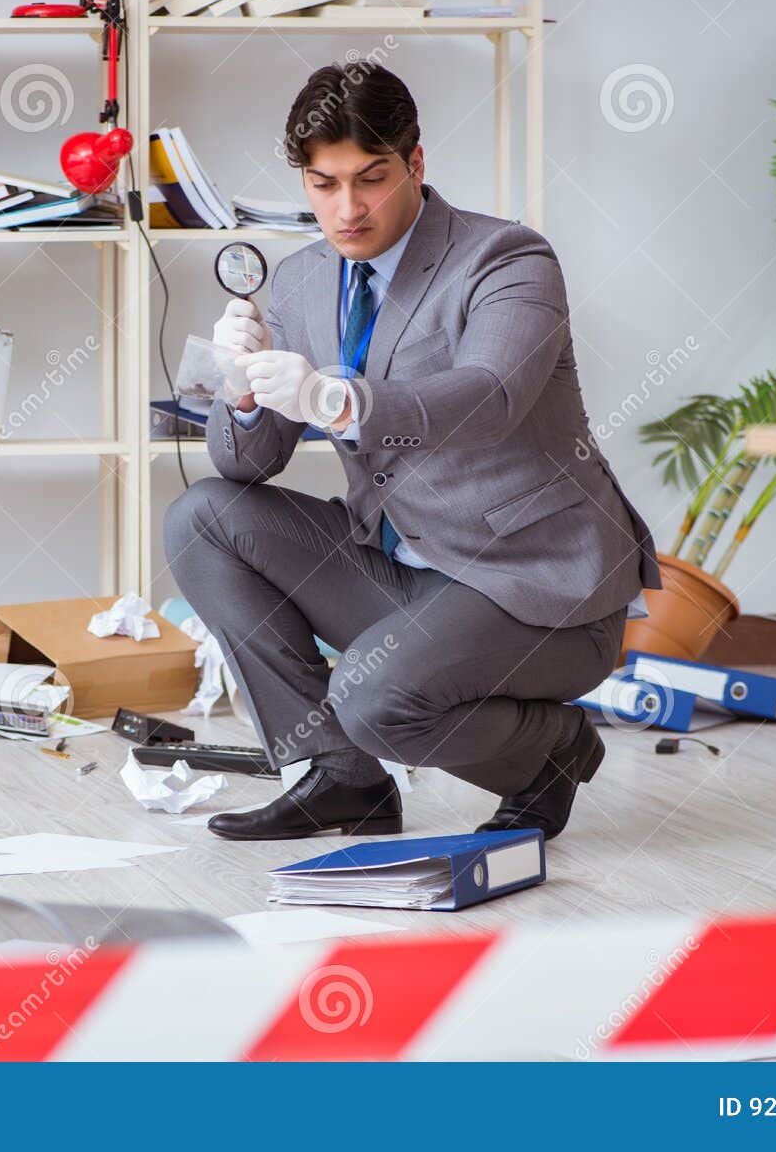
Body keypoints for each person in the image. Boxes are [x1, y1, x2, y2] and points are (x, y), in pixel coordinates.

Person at [164, 62, 661, 843]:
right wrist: (241, 388)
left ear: (416, 163)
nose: (347, 208)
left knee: (372, 696)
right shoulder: (299, 284)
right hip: (408, 577)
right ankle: (341, 777)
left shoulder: (507, 259)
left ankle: (552, 753)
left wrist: (340, 399)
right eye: (323, 184)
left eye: (371, 178)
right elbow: (246, 467)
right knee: (202, 517)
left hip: (534, 586)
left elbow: (490, 395)